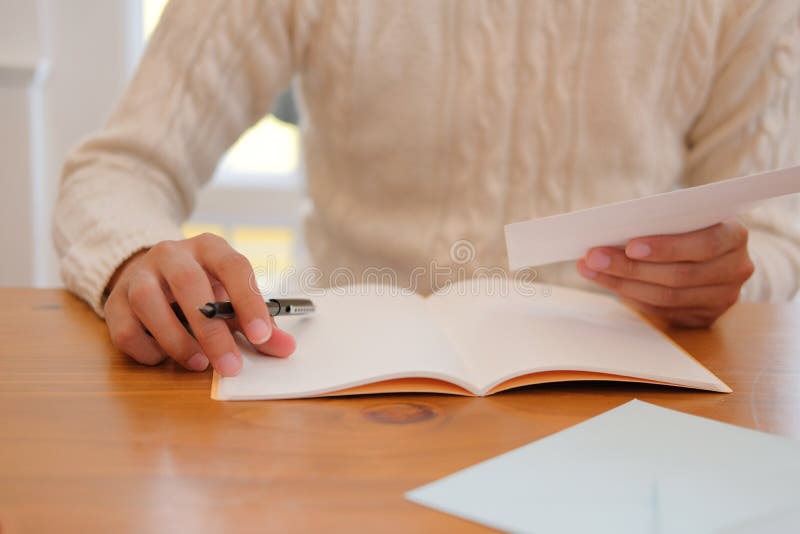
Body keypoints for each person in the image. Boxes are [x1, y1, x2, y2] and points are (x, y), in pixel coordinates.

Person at [53, 0, 800, 377]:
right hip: (351, 380)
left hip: (626, 393)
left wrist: (729, 277)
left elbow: (773, 237)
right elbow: (120, 169)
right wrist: (137, 258)